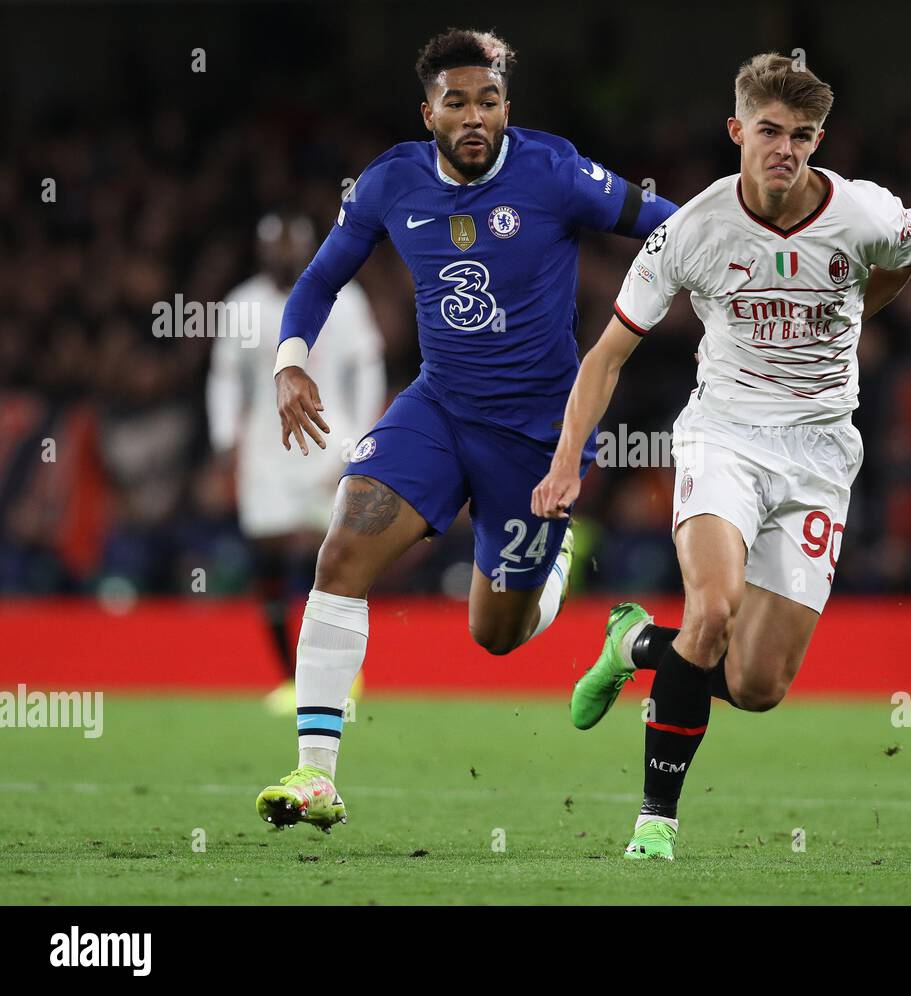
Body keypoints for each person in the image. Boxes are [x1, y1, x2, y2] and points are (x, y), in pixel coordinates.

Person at [256, 28, 677, 832]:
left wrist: (753, 251)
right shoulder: (388, 184)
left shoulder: (555, 172)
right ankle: (316, 777)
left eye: (489, 101)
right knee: (340, 552)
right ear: (430, 113)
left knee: (496, 634)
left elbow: (672, 226)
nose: (475, 116)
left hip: (535, 435)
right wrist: (289, 361)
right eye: (457, 103)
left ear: (507, 108)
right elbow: (318, 280)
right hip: (439, 407)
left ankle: (558, 574)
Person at [533, 53, 911, 860]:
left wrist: (855, 305)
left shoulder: (865, 215)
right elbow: (606, 355)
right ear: (736, 130)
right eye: (770, 131)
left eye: (803, 135)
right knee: (712, 611)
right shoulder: (693, 230)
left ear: (820, 139)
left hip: (820, 454)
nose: (785, 148)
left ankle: (635, 645)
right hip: (727, 439)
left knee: (757, 686)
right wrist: (567, 461)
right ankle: (655, 822)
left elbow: (908, 255)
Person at [207, 212, 385, 715]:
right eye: (275, 248)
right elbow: (225, 377)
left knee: (318, 557)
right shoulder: (242, 304)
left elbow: (366, 367)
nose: (284, 257)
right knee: (268, 558)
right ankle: (289, 675)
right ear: (263, 252)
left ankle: (335, 671)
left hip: (330, 443)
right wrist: (225, 438)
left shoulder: (345, 301)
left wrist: (363, 437)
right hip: (266, 451)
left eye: (293, 247)